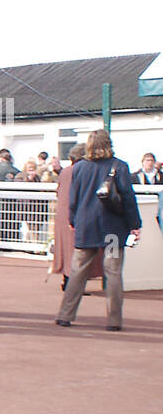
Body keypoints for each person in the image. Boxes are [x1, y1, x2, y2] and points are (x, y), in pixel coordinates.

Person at [56, 129, 141, 330]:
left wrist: (73, 220)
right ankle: (114, 320)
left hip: (87, 227)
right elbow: (128, 198)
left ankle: (65, 315)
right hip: (112, 229)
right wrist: (134, 225)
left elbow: (73, 199)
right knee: (112, 272)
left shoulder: (79, 168)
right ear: (109, 144)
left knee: (78, 271)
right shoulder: (119, 166)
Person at [50, 144, 102, 290]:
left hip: (63, 216)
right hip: (77, 215)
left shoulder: (65, 172)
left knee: (66, 251)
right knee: (78, 251)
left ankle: (67, 281)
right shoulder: (83, 171)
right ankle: (75, 285)